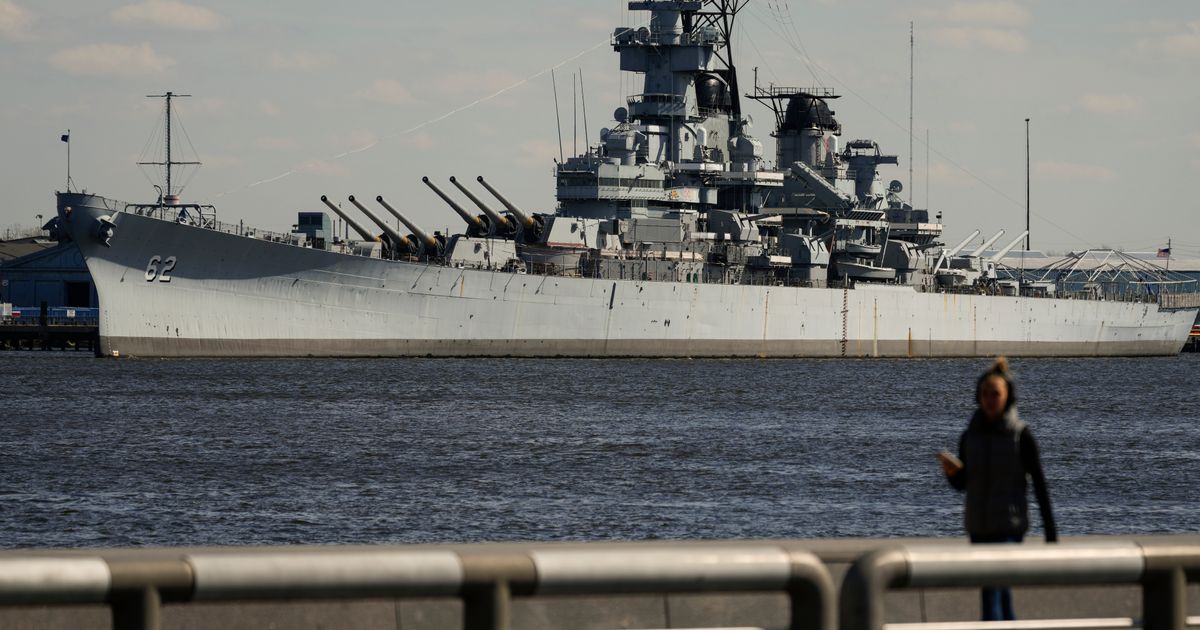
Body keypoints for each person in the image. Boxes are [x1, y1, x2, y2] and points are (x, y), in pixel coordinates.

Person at [938, 357, 1057, 621]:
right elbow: (963, 484)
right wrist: (952, 474)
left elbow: (1040, 485)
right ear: (978, 397)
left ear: (1008, 397)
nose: (990, 399)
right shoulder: (969, 436)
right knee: (1000, 594)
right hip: (979, 527)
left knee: (991, 594)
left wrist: (1051, 535)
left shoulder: (1021, 435)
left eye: (996, 394)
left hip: (1007, 526)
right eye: (985, 394)